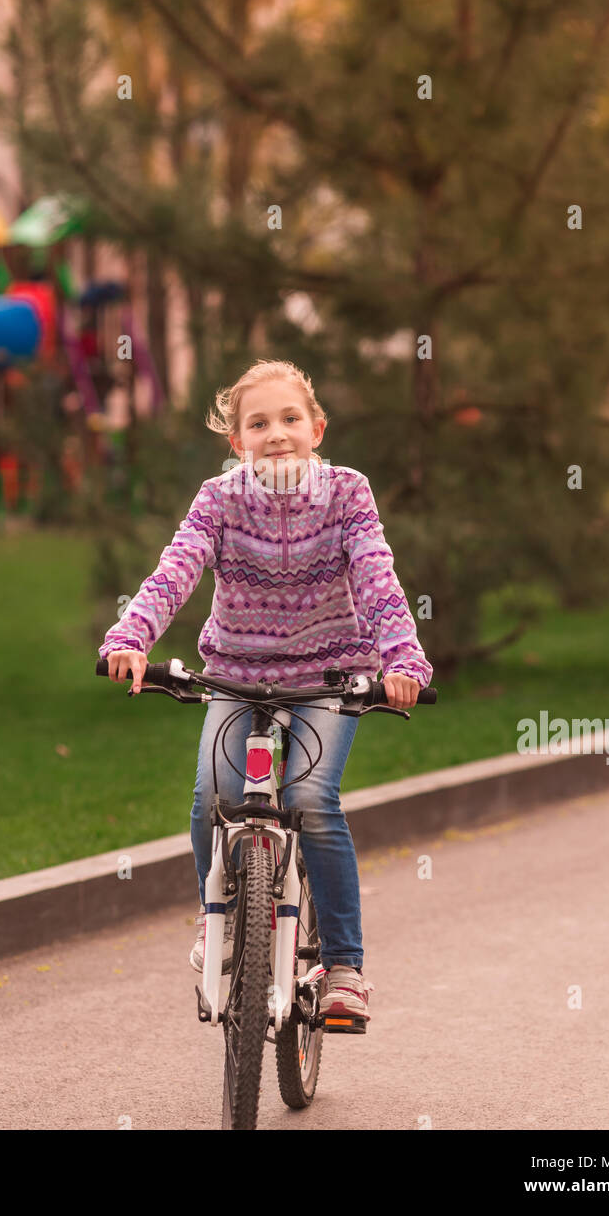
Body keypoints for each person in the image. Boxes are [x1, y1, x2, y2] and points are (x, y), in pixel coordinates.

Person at [99, 358, 433, 1024]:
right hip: (238, 676)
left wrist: (401, 658)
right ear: (236, 441)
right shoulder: (218, 499)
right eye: (258, 423)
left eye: (289, 419)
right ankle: (215, 913)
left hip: (328, 679)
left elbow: (376, 577)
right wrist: (130, 637)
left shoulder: (347, 493)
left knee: (310, 798)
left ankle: (342, 966)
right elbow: (177, 569)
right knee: (214, 794)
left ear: (316, 427)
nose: (275, 433)